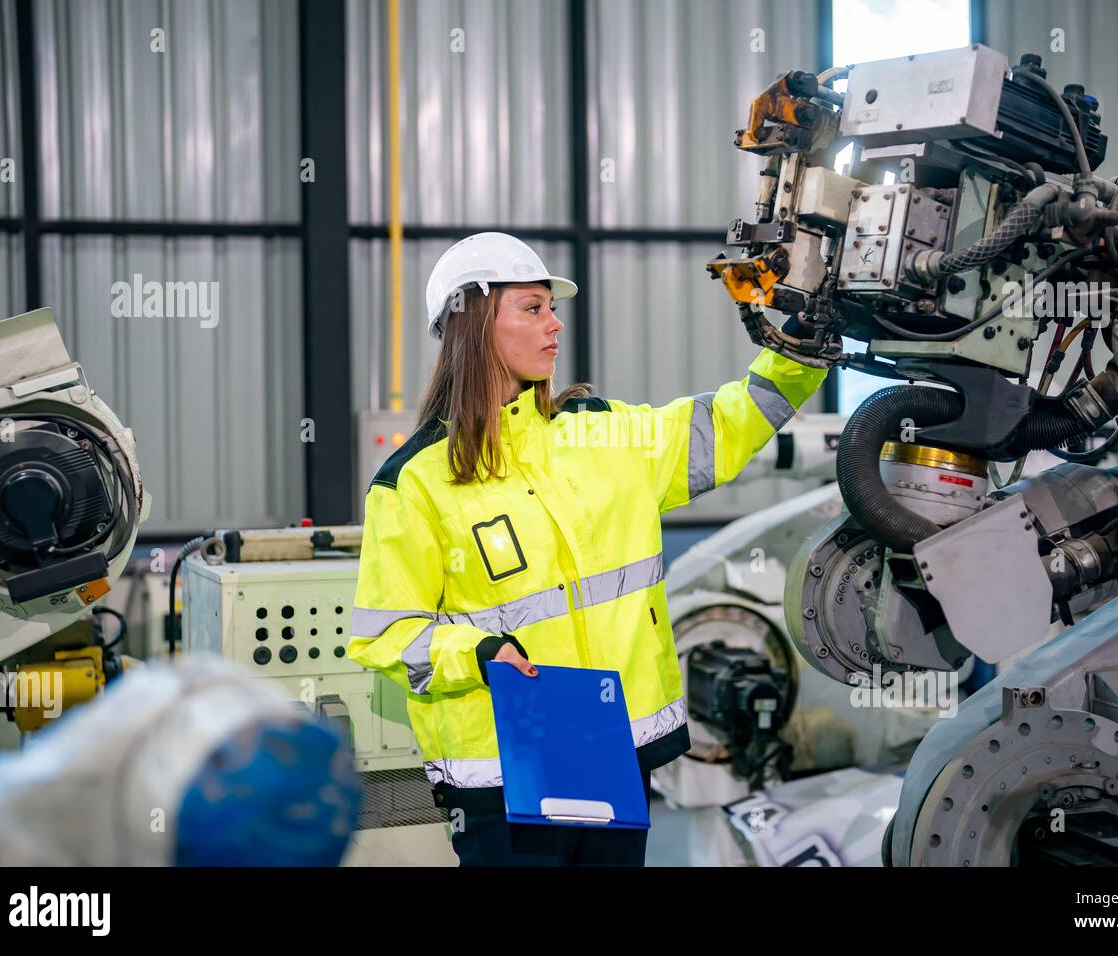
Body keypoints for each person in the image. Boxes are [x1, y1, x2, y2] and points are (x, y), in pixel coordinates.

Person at [348, 231, 828, 866]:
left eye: (552, 307)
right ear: (474, 321)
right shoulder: (415, 483)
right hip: (502, 779)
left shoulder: (603, 437)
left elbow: (726, 426)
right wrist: (477, 651)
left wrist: (800, 340)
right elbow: (383, 635)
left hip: (610, 757)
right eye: (532, 307)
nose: (555, 325)